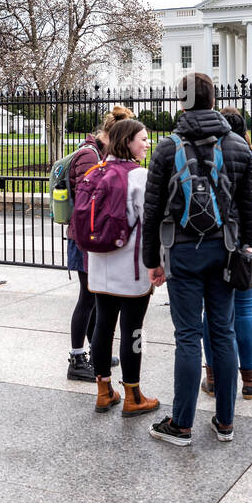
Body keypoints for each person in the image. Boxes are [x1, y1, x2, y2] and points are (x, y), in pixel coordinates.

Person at [142, 73, 252, 446]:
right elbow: (248, 209)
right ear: (213, 99)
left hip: (182, 252)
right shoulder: (238, 146)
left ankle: (182, 423)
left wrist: (151, 260)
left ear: (182, 102)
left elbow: (152, 210)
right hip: (224, 252)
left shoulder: (166, 148)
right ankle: (225, 422)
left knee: (188, 336)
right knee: (222, 333)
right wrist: (245, 249)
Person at [84, 118, 160, 417]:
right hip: (131, 267)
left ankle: (103, 391)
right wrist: (158, 263)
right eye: (142, 139)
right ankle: (133, 393)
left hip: (100, 264)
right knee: (133, 330)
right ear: (127, 141)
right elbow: (151, 223)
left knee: (103, 325)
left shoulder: (95, 172)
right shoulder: (139, 176)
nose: (147, 143)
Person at [200, 107, 252, 399]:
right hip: (244, 242)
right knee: (244, 312)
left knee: (212, 313)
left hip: (210, 241)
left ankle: (213, 376)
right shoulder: (249, 159)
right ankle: (251, 379)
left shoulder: (201, 157)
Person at [63, 105, 131, 382]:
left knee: (94, 297)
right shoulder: (88, 156)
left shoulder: (100, 154)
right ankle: (77, 358)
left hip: (93, 237)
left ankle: (94, 350)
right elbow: (88, 203)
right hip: (83, 238)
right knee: (86, 298)